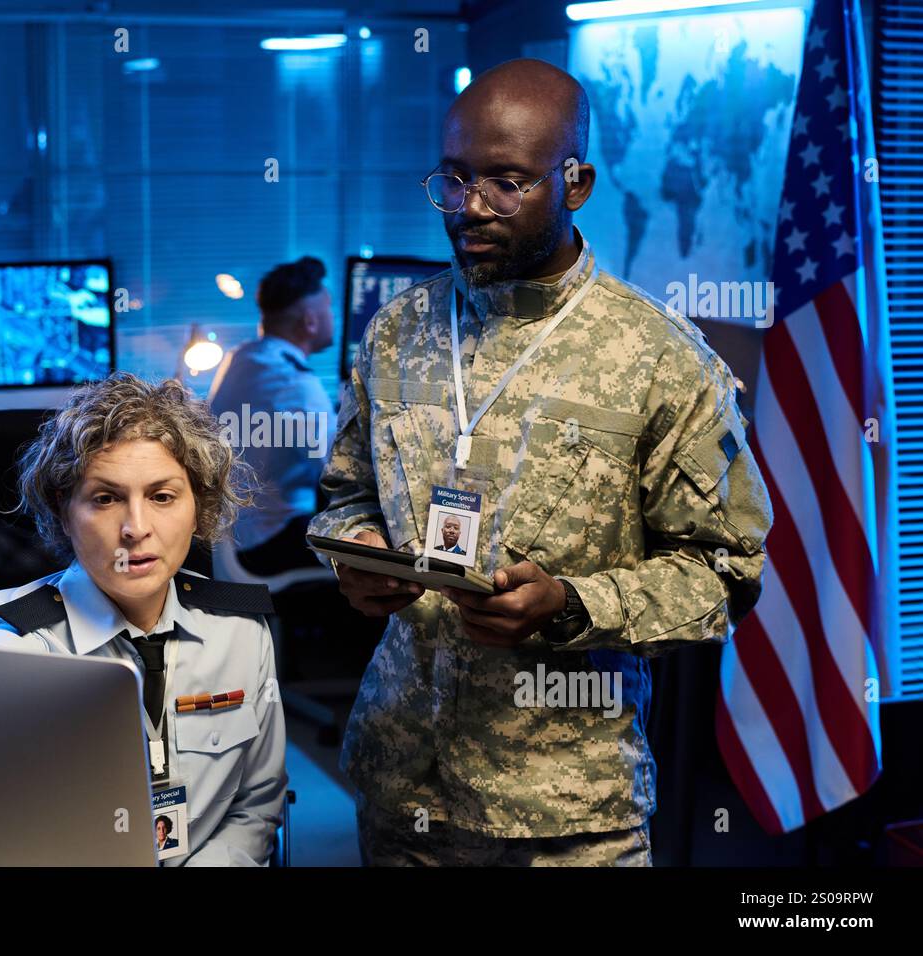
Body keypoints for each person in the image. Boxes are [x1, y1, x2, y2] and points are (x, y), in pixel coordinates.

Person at [309, 58, 774, 866]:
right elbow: (345, 496)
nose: (470, 207)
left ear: (576, 184)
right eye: (455, 180)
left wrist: (569, 606)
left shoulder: (659, 358)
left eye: (506, 183)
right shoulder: (395, 331)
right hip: (400, 781)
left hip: (566, 816)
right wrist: (359, 555)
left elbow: (726, 575)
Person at [0, 372, 288, 866]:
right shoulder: (8, 634)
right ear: (63, 510)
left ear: (198, 508)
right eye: (106, 498)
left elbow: (256, 807)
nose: (136, 528)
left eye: (162, 497)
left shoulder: (240, 630)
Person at [208, 256, 337, 575]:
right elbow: (338, 468)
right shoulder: (293, 381)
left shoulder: (241, 359)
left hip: (232, 539)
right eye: (329, 308)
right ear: (310, 321)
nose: (333, 316)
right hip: (267, 543)